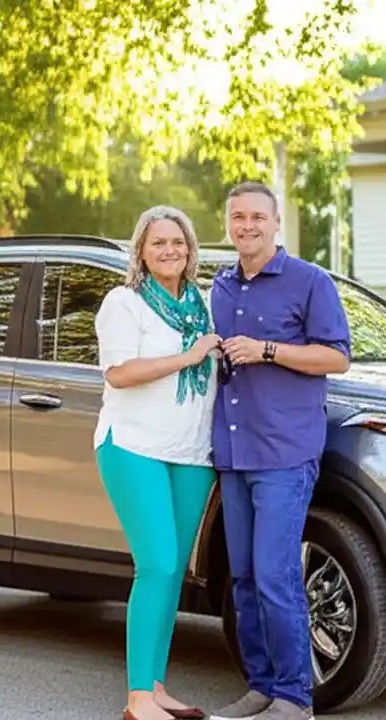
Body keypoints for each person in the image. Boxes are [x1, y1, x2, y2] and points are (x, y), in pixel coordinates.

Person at [208, 182, 352, 720]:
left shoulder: (309, 282)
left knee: (274, 575)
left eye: (257, 217)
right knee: (242, 578)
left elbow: (337, 359)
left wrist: (266, 350)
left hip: (285, 454)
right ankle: (261, 687)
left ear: (276, 223)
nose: (247, 226)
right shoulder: (220, 287)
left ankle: (295, 698)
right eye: (237, 216)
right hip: (233, 452)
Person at [93, 205, 222, 720]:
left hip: (191, 453)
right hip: (133, 447)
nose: (169, 250)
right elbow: (119, 374)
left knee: (174, 575)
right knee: (157, 564)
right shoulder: (123, 303)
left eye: (178, 242)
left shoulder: (203, 305)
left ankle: (157, 685)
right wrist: (188, 357)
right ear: (141, 252)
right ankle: (138, 698)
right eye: (158, 242)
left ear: (190, 250)